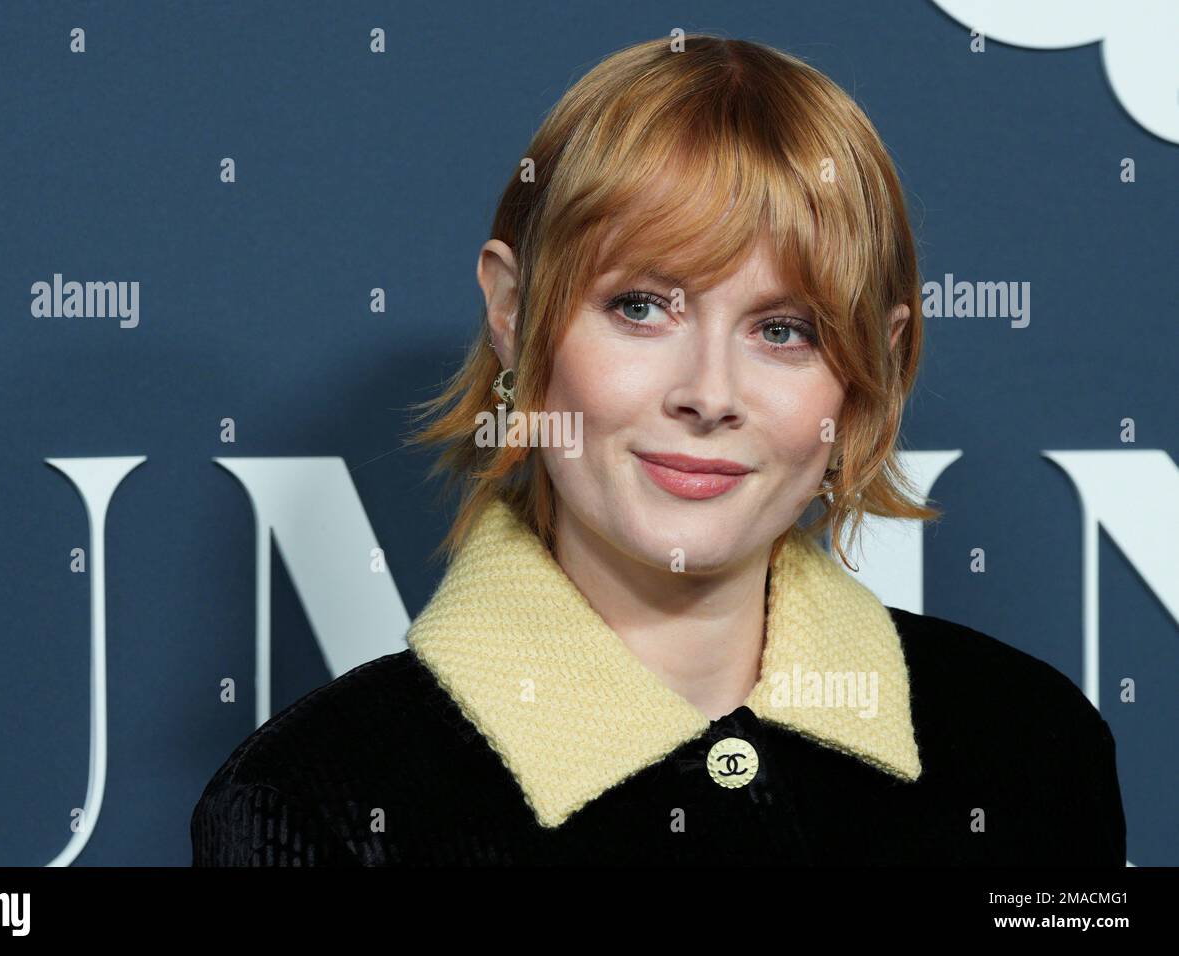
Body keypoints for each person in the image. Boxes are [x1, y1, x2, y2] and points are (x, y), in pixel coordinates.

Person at [191, 33, 1126, 866]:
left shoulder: (1031, 752)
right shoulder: (314, 805)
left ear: (876, 363)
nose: (709, 395)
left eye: (785, 330)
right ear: (513, 315)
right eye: (640, 307)